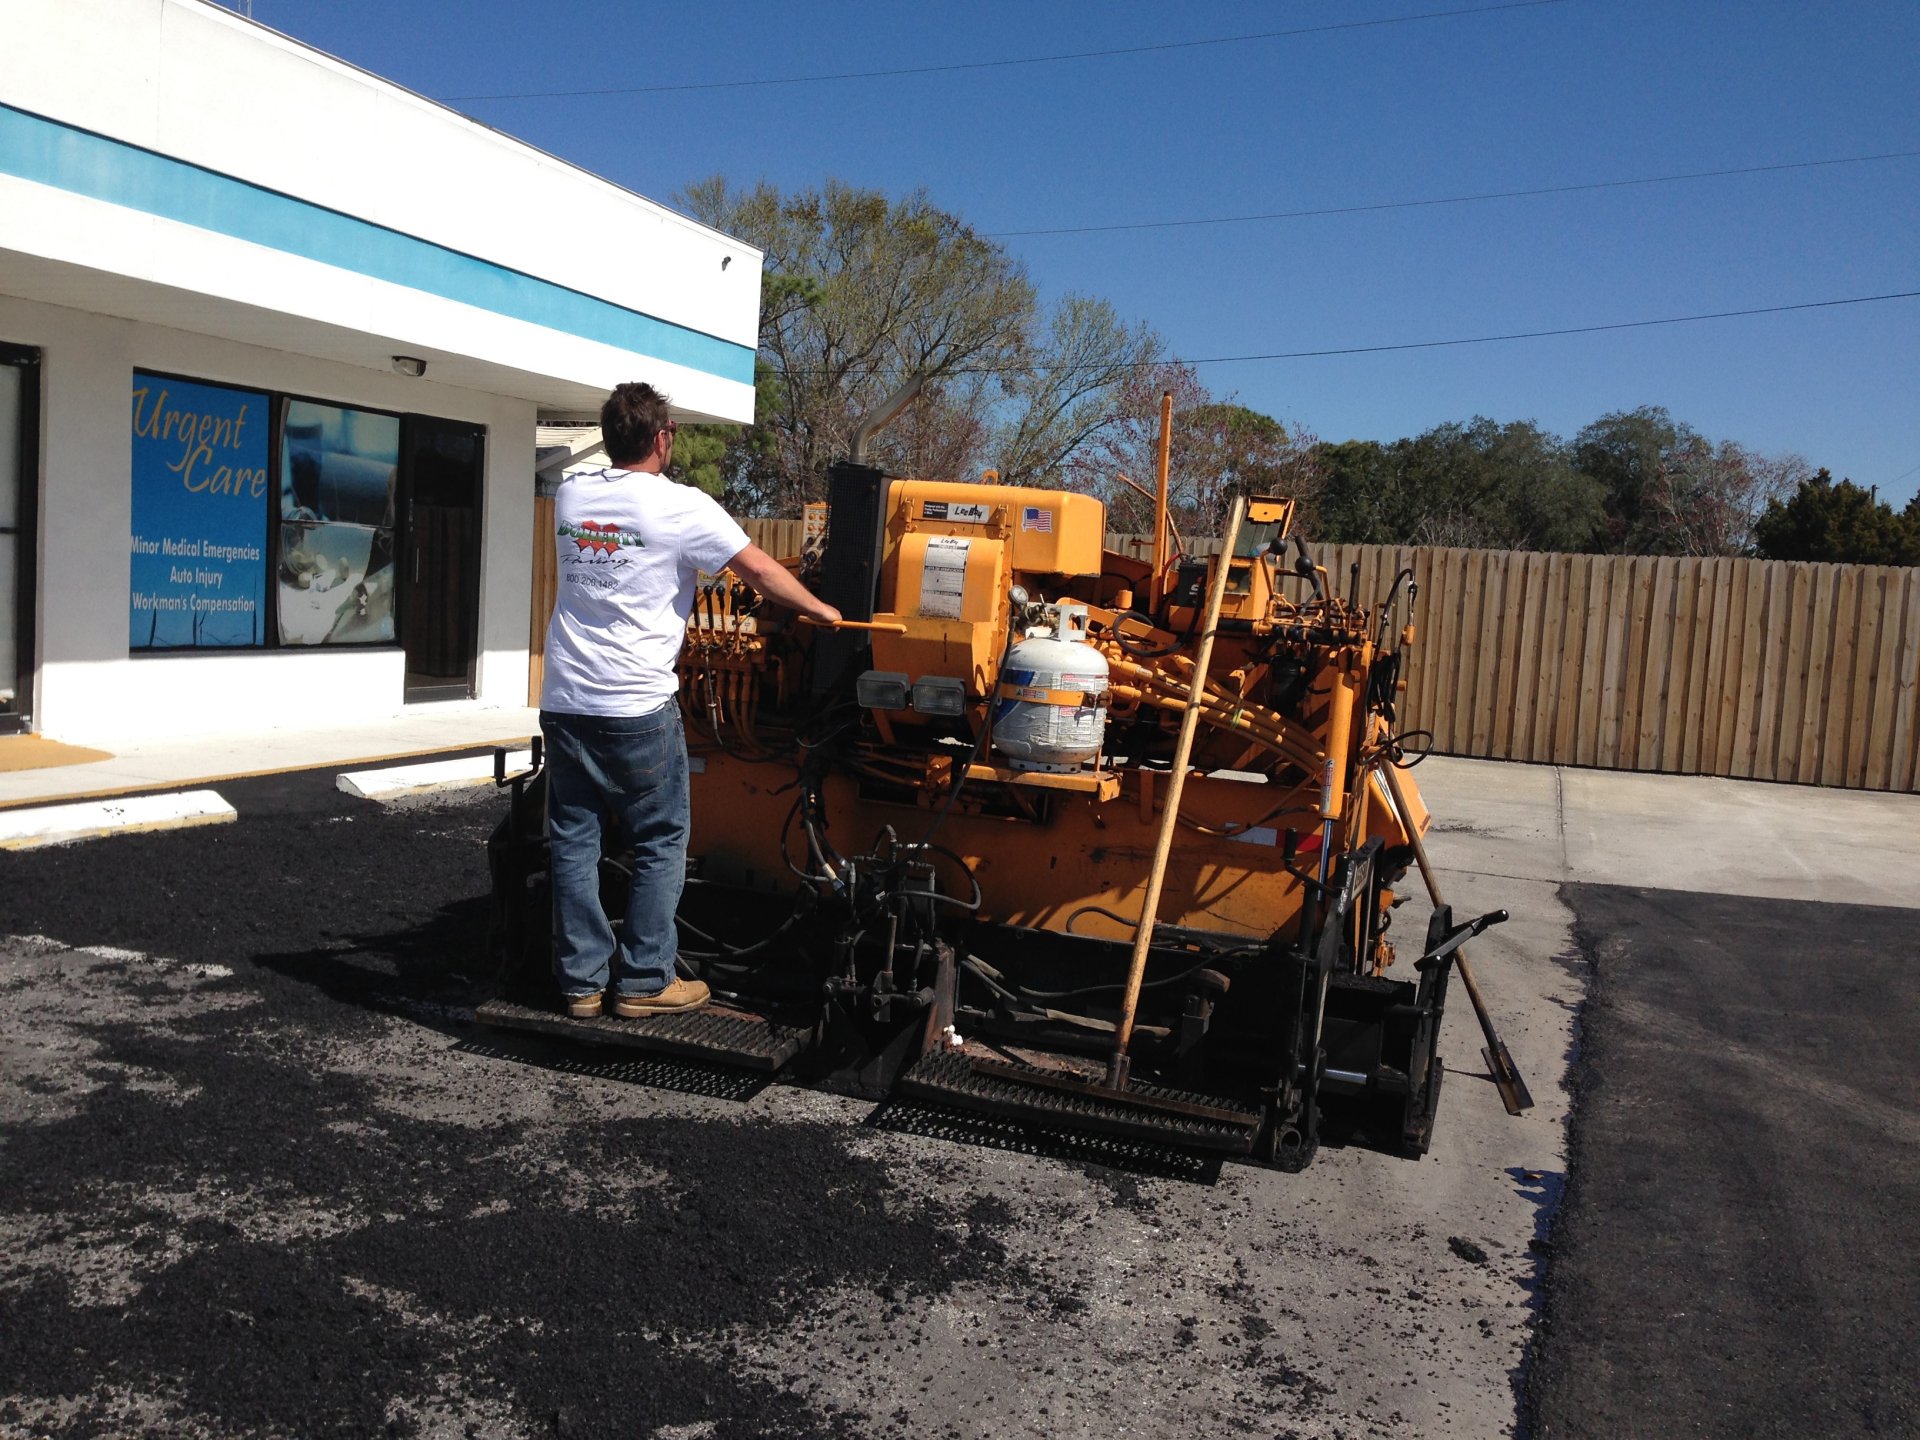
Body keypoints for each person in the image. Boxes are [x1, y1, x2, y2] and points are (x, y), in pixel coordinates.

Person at [541, 382, 840, 1018]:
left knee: (574, 839)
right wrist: (819, 608)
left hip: (566, 697)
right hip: (637, 706)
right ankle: (646, 980)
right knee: (659, 838)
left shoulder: (571, 495)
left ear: (609, 436)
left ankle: (581, 984)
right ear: (664, 437)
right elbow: (757, 570)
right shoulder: (682, 508)